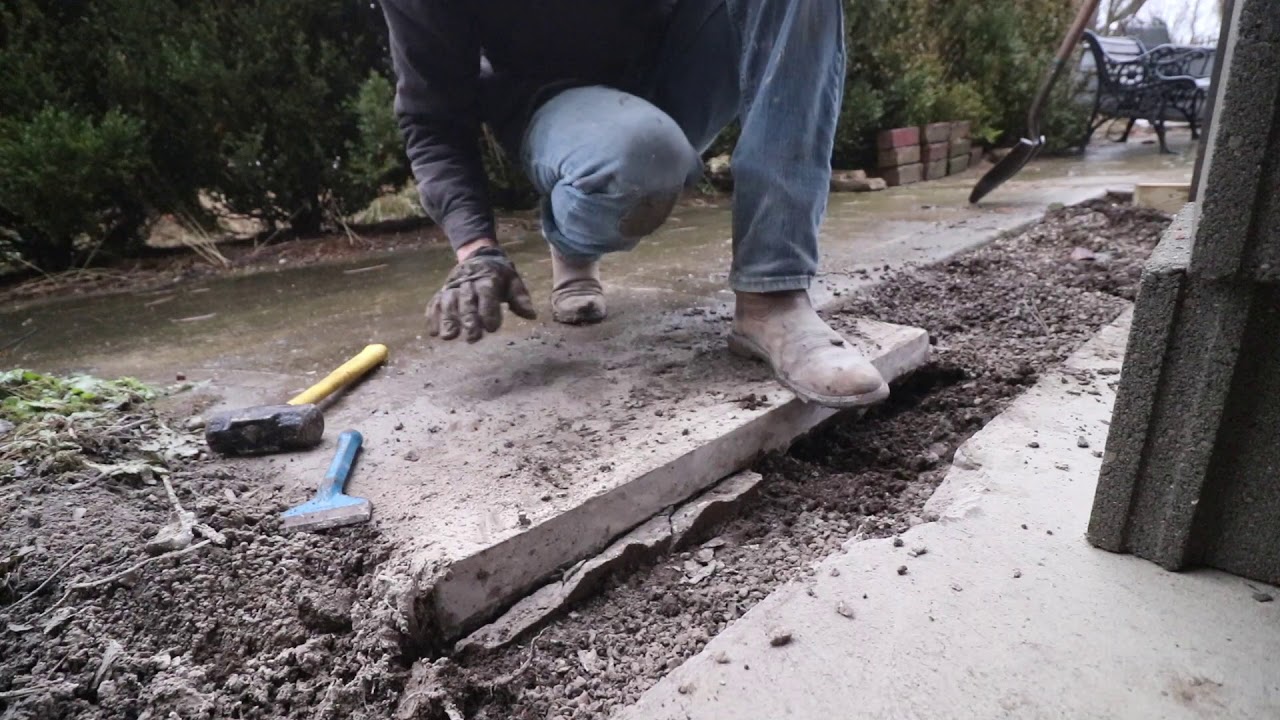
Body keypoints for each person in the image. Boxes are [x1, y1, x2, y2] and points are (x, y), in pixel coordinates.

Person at [381, 0, 889, 408]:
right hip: (557, 105)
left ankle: (773, 297)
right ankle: (570, 231)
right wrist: (476, 248)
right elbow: (433, 119)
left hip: (673, 65)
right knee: (640, 158)